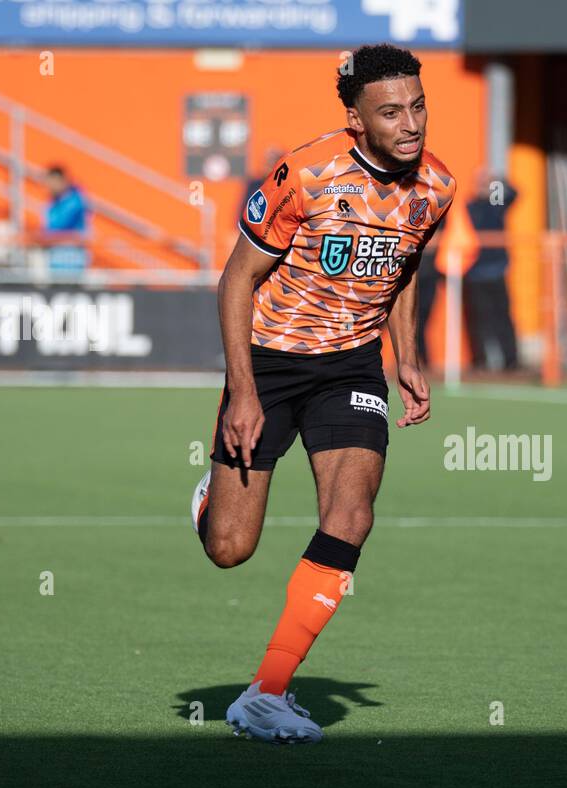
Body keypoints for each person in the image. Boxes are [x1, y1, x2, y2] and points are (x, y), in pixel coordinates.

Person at [193, 44, 454, 743]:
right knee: (229, 546)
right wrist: (243, 391)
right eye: (391, 111)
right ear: (356, 118)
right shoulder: (305, 174)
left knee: (352, 515)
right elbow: (234, 281)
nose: (411, 123)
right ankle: (210, 498)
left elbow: (404, 267)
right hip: (271, 364)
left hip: (351, 367)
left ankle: (267, 691)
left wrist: (407, 354)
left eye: (419, 106)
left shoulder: (437, 187)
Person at [463, 169, 520, 370]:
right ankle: (481, 361)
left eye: (485, 184)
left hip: (496, 271)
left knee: (503, 316)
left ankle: (511, 361)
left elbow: (514, 193)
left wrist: (497, 181)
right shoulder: (469, 207)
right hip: (475, 273)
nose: (482, 187)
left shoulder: (495, 203)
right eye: (480, 183)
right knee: (480, 320)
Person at [41, 165, 90, 273]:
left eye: (51, 182)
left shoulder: (75, 201)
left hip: (72, 257)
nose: (49, 186)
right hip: (56, 256)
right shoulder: (53, 202)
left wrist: (41, 238)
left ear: (61, 180)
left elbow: (60, 226)